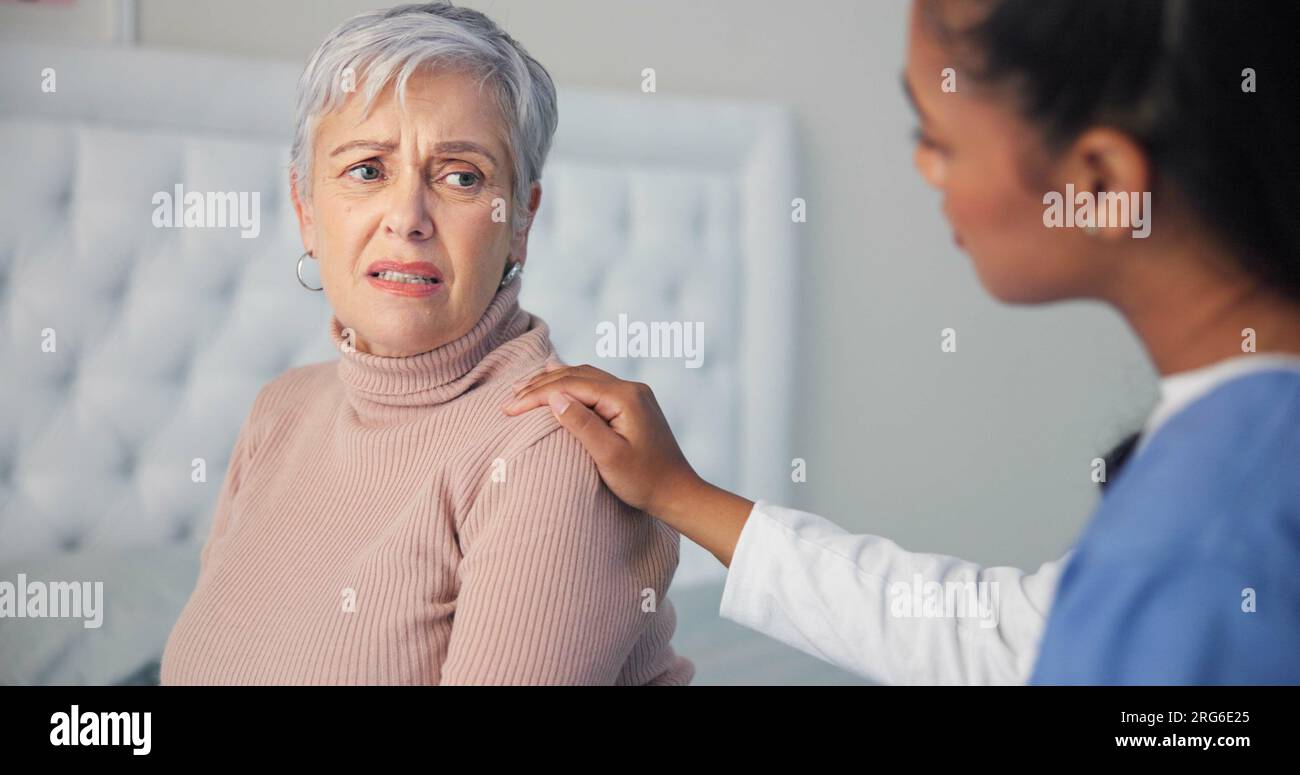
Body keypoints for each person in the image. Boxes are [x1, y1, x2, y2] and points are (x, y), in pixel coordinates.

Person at [504, 0, 1300, 684]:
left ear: (1097, 182)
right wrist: (681, 495)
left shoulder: (1213, 526)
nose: (924, 168)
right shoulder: (1233, 462)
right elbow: (1018, 643)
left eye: (939, 137)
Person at [162, 2, 693, 685]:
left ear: (520, 220)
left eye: (461, 176)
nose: (408, 218)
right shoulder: (280, 412)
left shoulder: (552, 449)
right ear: (305, 210)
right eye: (366, 170)